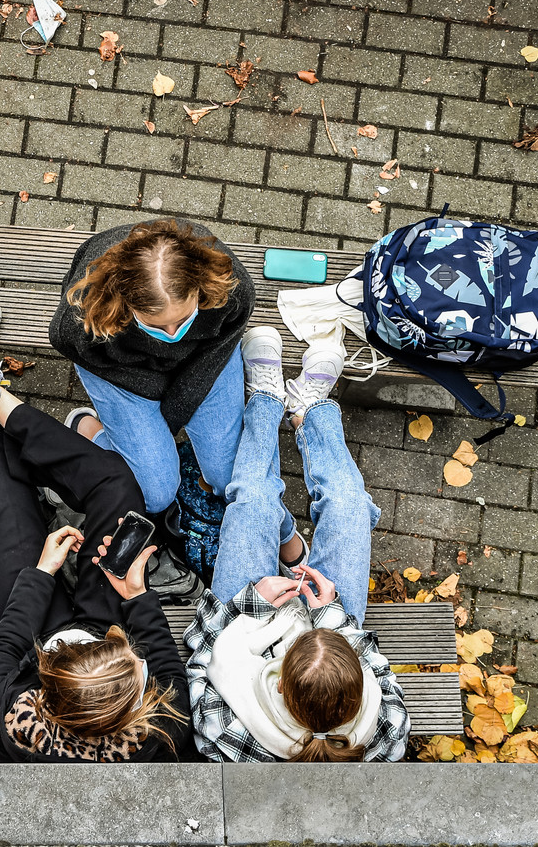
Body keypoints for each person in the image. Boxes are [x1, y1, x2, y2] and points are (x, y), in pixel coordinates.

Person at [0, 288, 190, 762]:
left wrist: (41, 574)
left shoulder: (10, 719)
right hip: (108, 614)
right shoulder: (164, 732)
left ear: (49, 686)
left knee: (1, 502)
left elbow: (4, 650)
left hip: (34, 637)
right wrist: (138, 597)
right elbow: (168, 668)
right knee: (117, 485)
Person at [184, 326, 409, 763]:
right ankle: (311, 410)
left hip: (248, 628)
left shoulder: (228, 734)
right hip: (324, 627)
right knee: (349, 508)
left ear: (279, 682)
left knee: (252, 503)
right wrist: (331, 618)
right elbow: (377, 667)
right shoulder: (384, 729)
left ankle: (264, 402)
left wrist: (251, 603)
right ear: (358, 688)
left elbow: (199, 660)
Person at [47, 218, 256, 514]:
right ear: (126, 303)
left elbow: (222, 342)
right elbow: (64, 341)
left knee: (228, 476)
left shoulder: (232, 286)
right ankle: (87, 428)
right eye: (155, 324)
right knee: (155, 496)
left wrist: (170, 413)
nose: (172, 335)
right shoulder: (86, 310)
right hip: (120, 369)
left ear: (198, 288)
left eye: (183, 320)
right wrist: (156, 391)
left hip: (204, 356)